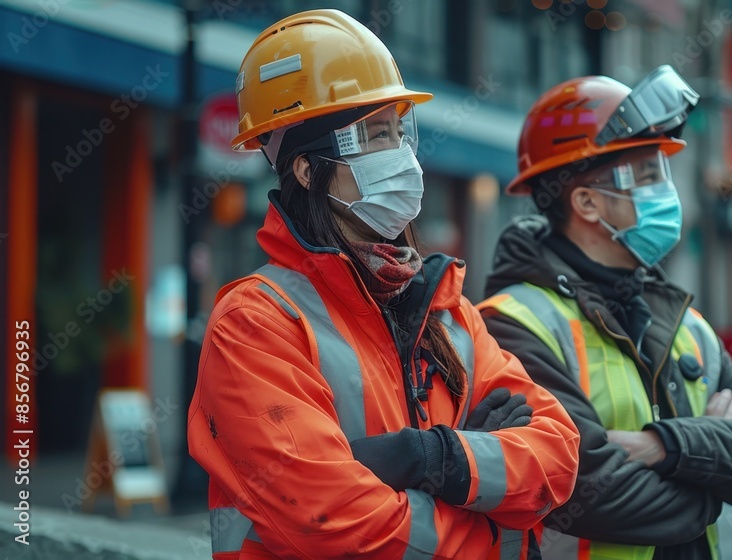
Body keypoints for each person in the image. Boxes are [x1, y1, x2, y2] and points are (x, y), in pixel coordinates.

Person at [187, 10, 579, 560]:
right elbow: (332, 520)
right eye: (375, 134)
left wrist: (430, 458)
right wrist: (489, 519)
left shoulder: (445, 311)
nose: (402, 155)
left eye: (401, 131)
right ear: (305, 168)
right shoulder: (256, 324)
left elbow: (558, 456)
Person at [478, 67, 732, 560]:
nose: (665, 192)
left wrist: (664, 446)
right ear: (585, 201)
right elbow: (586, 490)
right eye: (645, 175)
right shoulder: (514, 324)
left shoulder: (680, 320)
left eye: (660, 173)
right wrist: (712, 482)